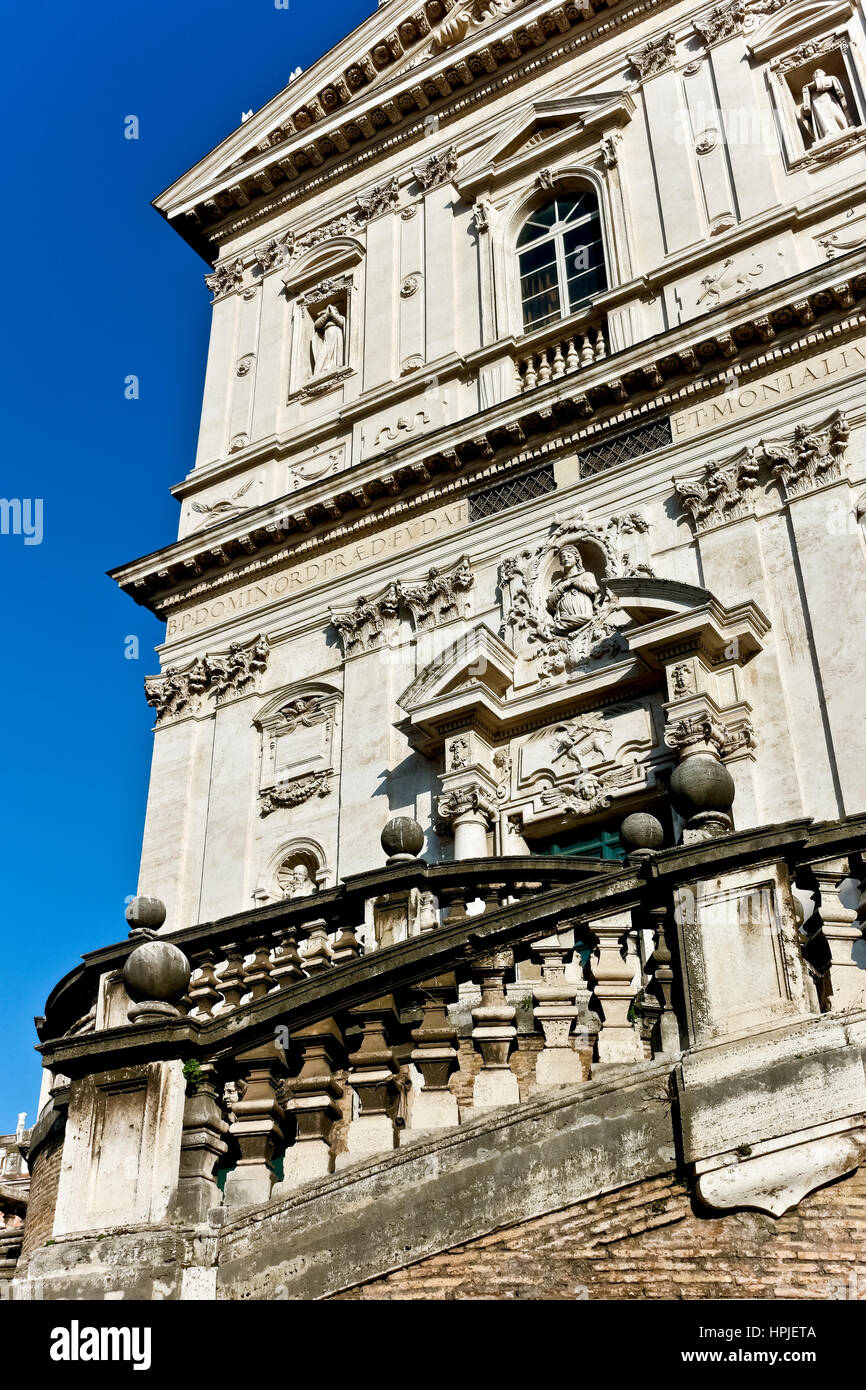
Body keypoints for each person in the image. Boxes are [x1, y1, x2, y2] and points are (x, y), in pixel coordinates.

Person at [801, 68, 851, 144]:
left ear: (824, 73)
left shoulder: (830, 78)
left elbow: (824, 83)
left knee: (839, 117)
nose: (817, 72)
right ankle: (828, 134)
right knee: (823, 120)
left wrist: (808, 86)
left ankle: (844, 128)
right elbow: (806, 105)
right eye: (815, 73)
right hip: (816, 103)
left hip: (829, 99)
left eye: (819, 71)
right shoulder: (810, 91)